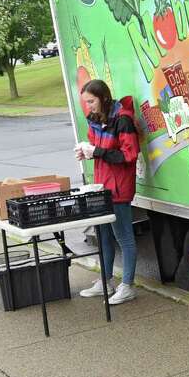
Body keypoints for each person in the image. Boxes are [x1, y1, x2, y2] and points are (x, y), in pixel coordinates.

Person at [76, 79, 140, 305]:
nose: (89, 106)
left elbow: (129, 155)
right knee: (103, 235)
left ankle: (128, 286)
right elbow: (99, 149)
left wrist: (98, 152)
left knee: (124, 237)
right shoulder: (95, 118)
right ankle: (105, 280)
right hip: (101, 186)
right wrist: (88, 152)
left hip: (120, 188)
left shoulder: (123, 119)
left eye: (91, 101)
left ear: (103, 98)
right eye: (86, 102)